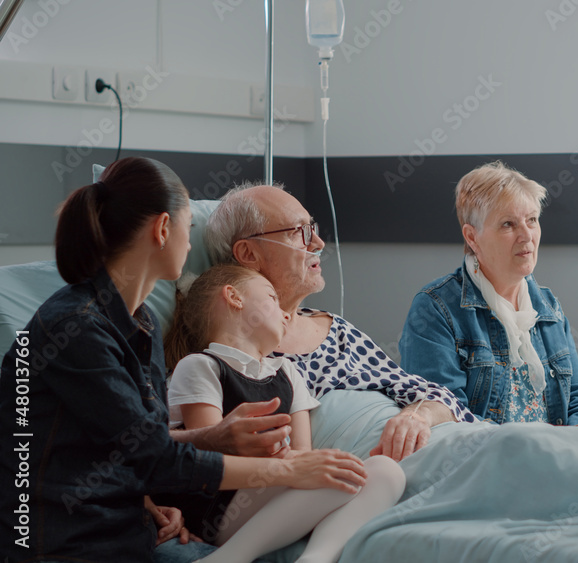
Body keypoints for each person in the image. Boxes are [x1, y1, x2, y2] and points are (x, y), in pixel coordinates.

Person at [0, 157, 370, 563]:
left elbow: (127, 442)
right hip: (61, 544)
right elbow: (153, 458)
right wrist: (289, 470)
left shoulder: (140, 323)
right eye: (188, 227)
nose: (191, 245)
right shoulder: (75, 328)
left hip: (131, 528)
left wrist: (152, 499)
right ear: (163, 229)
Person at [203, 182, 476, 462]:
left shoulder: (338, 331)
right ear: (249, 254)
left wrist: (417, 417)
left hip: (443, 442)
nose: (318, 243)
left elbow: (435, 396)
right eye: (299, 232)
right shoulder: (232, 360)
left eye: (312, 228)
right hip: (389, 468)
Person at [162, 263, 404, 562]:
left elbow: (303, 454)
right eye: (272, 298)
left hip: (278, 492)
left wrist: (307, 464)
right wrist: (291, 466)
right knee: (339, 474)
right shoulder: (200, 366)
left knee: (386, 471)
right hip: (220, 504)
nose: (288, 314)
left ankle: (316, 558)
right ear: (234, 297)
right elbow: (209, 464)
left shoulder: (287, 372)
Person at [398, 161, 578, 432]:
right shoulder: (436, 308)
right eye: (508, 224)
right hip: (490, 456)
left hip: (557, 454)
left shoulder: (548, 306)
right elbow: (448, 419)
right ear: (472, 237)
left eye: (532, 220)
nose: (527, 236)